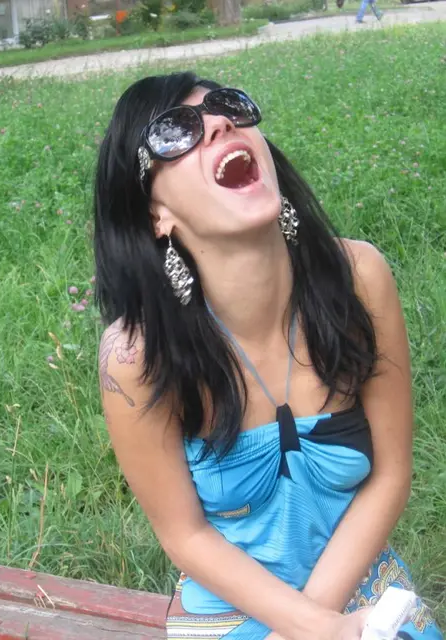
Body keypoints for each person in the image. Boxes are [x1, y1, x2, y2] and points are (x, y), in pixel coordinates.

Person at [94, 72, 442, 640]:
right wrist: (309, 628)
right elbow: (185, 535)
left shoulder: (359, 279)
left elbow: (391, 475)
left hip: (360, 588)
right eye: (176, 131)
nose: (219, 124)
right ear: (156, 214)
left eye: (227, 106)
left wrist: (319, 625)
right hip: (229, 610)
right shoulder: (136, 357)